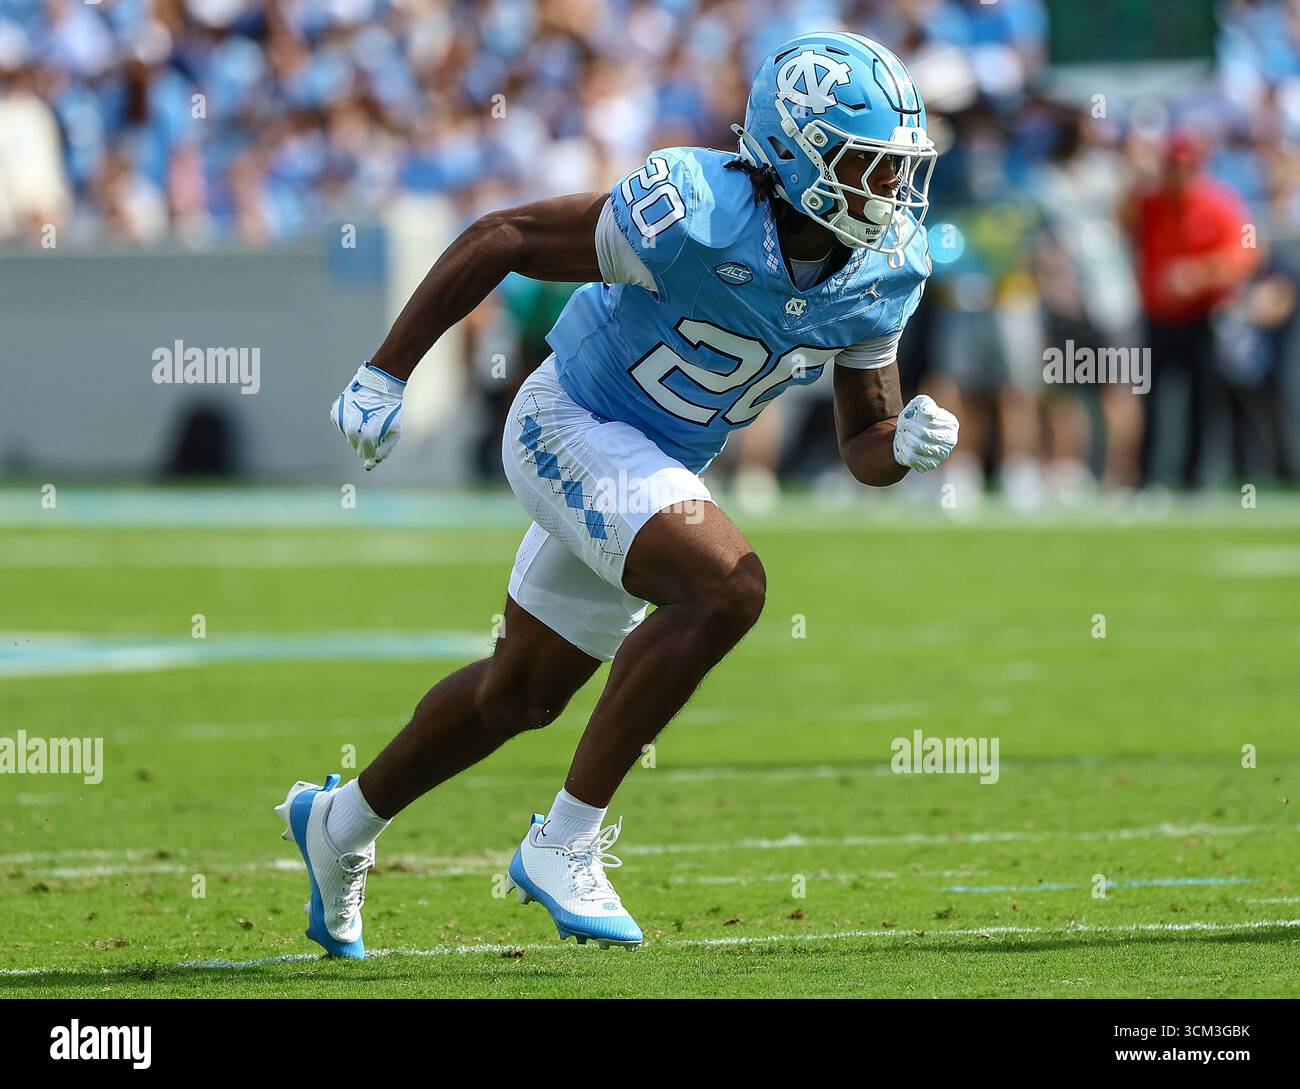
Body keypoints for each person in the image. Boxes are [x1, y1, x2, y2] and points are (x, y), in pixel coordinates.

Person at [277, 32, 960, 957]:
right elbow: (504, 236)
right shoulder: (694, 210)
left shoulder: (884, 269)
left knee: (517, 695)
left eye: (896, 170)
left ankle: (339, 824)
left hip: (657, 467)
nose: (890, 192)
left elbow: (859, 444)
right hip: (569, 421)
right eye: (867, 166)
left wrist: (905, 445)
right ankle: (565, 839)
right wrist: (387, 371)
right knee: (729, 586)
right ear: (796, 154)